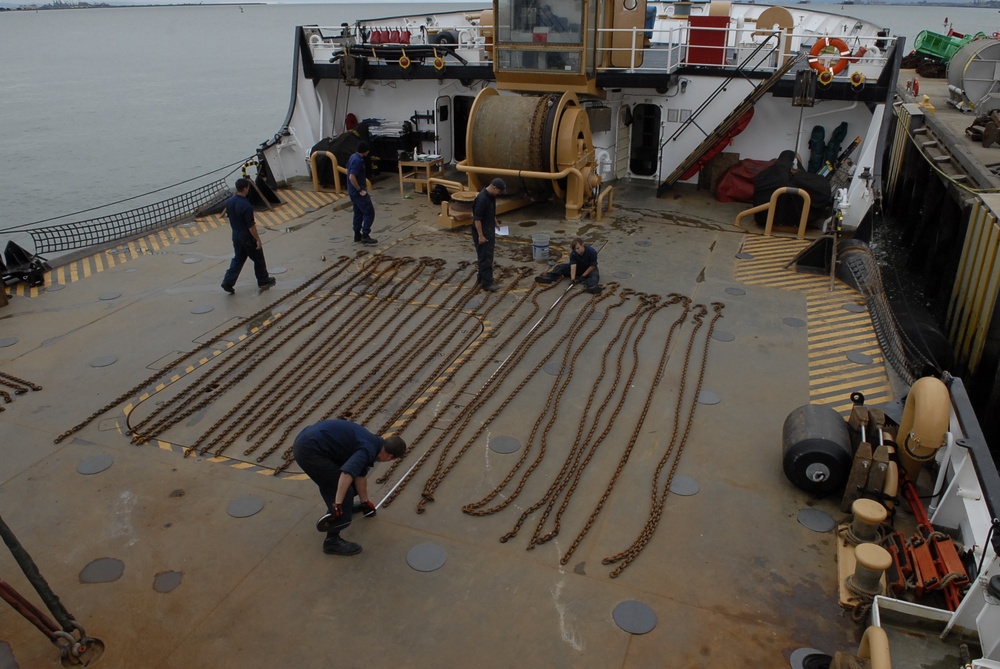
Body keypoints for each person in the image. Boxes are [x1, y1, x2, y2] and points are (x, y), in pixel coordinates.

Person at [292, 420, 406, 556]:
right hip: (310, 451)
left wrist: (365, 503)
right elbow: (347, 473)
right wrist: (338, 504)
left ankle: (345, 508)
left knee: (351, 487)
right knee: (344, 494)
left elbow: (360, 476)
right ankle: (331, 541)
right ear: (389, 456)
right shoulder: (367, 450)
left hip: (310, 439)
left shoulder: (374, 443)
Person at [221, 177, 276, 294]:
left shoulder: (229, 202)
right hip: (246, 236)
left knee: (238, 258)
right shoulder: (246, 205)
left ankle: (228, 281)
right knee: (258, 258)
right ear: (245, 189)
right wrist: (257, 239)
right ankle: (263, 279)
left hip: (236, 234)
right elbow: (251, 226)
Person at [472, 177, 506, 292]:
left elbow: (491, 212)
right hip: (483, 232)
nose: (499, 194)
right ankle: (487, 283)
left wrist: (495, 223)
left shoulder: (491, 197)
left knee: (486, 256)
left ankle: (481, 277)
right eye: (499, 191)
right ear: (494, 188)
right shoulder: (482, 199)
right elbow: (477, 219)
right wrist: (481, 236)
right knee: (485, 257)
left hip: (489, 230)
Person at [535, 237, 601, 294]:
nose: (576, 250)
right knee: (560, 267)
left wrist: (583, 276)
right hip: (578, 268)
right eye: (575, 249)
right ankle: (549, 277)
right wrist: (572, 279)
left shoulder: (592, 252)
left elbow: (592, 266)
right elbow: (573, 266)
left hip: (588, 269)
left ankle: (592, 287)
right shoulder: (573, 253)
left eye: (578, 248)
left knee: (594, 275)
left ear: (583, 245)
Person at [347, 142, 378, 245]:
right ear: (365, 151)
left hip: (352, 192)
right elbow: (352, 177)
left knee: (358, 212)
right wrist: (360, 189)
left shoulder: (353, 157)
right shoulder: (358, 161)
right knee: (369, 212)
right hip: (358, 193)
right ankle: (365, 234)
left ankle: (357, 234)